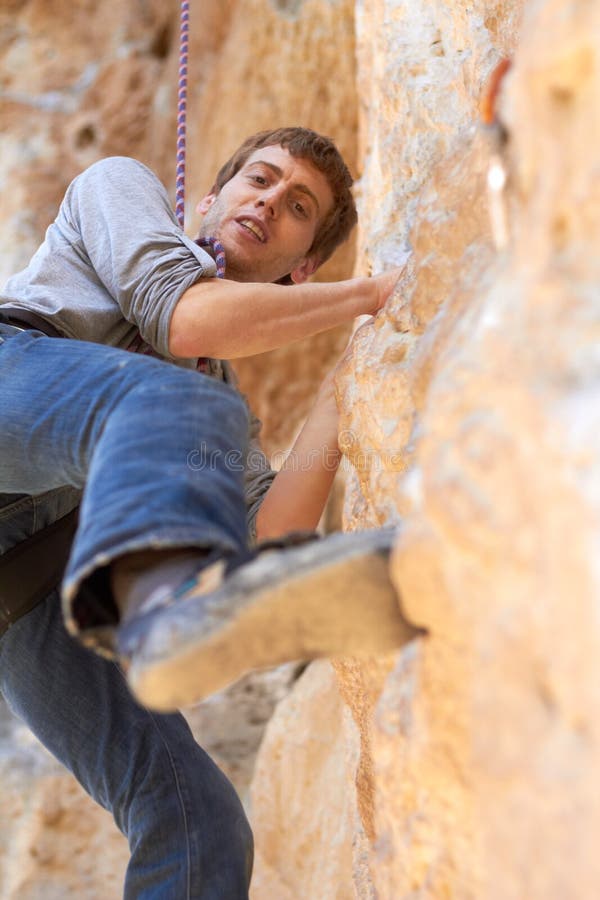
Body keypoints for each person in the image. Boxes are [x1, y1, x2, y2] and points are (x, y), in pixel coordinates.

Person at [0, 127, 405, 897]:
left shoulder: (210, 410)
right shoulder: (119, 187)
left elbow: (272, 537)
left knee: (197, 818)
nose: (267, 201)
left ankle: (170, 610)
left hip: (21, 585)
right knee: (178, 403)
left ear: (300, 267)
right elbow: (181, 316)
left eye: (296, 208)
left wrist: (337, 399)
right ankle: (166, 609)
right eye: (259, 179)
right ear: (207, 199)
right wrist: (366, 295)